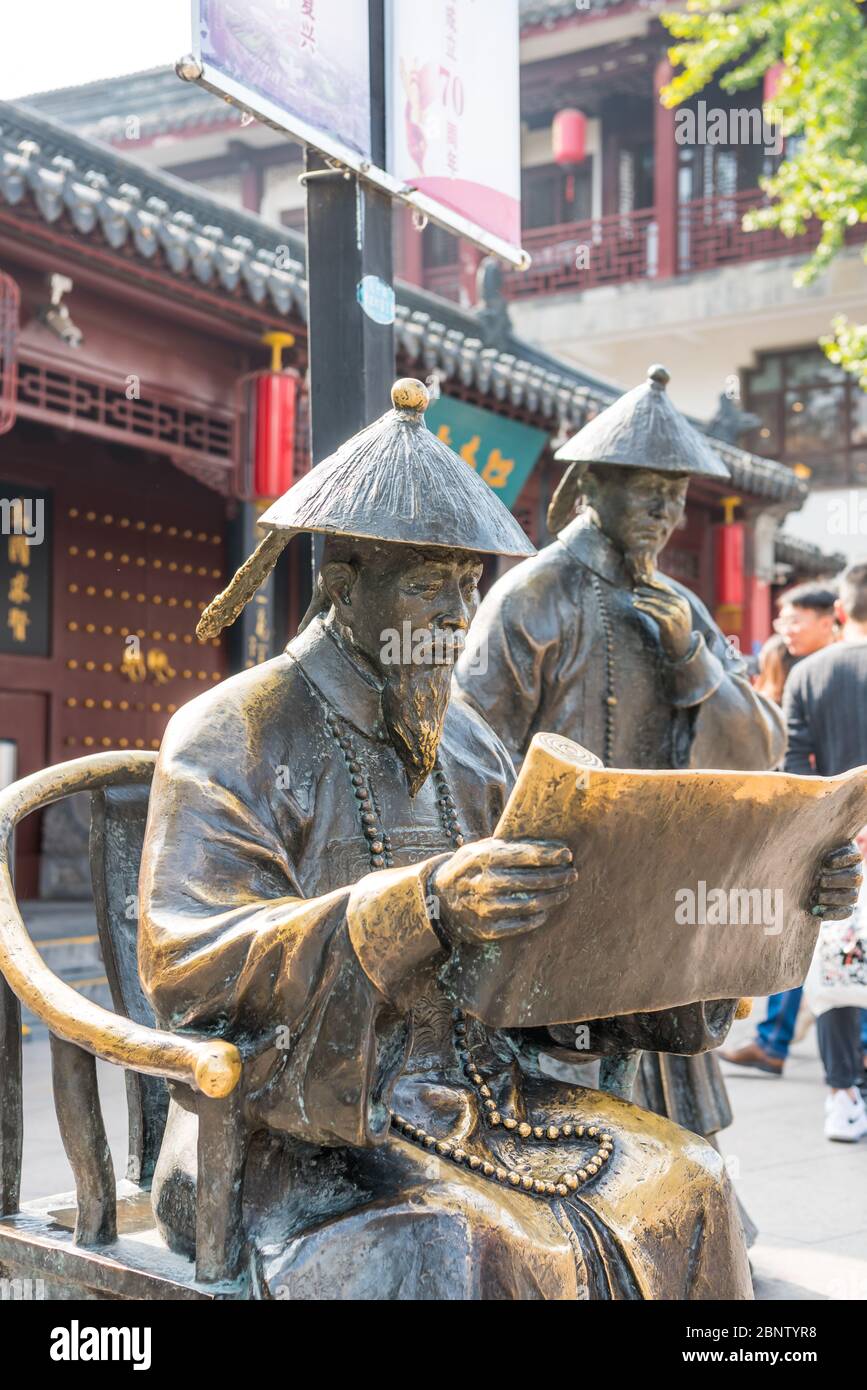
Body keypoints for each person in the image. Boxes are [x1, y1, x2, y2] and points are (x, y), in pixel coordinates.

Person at [137, 379, 856, 1300]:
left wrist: (777, 887)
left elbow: (554, 947)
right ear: (342, 587)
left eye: (466, 588)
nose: (454, 616)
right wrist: (423, 905)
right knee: (457, 1247)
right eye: (428, 587)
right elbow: (187, 960)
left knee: (693, 1181)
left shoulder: (468, 741)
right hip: (296, 1126)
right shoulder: (234, 729)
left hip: (488, 1092)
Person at [453, 365, 785, 1156]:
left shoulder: (680, 607)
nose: (667, 513)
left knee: (673, 1104)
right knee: (574, 1105)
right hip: (556, 888)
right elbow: (467, 751)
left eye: (675, 495)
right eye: (648, 491)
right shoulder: (533, 597)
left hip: (657, 886)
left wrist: (693, 662)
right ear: (593, 484)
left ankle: (685, 1215)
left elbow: (759, 749)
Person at [722, 581, 840, 1076]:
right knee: (800, 928)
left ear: (829, 618)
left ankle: (784, 1039)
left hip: (831, 824)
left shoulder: (832, 671)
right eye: (781, 620)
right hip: (802, 826)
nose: (783, 628)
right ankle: (775, 1039)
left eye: (794, 619)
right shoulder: (790, 665)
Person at [778, 562, 867, 1141]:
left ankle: (842, 1096)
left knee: (840, 966)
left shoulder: (809, 674)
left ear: (841, 611)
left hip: (841, 849)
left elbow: (794, 772)